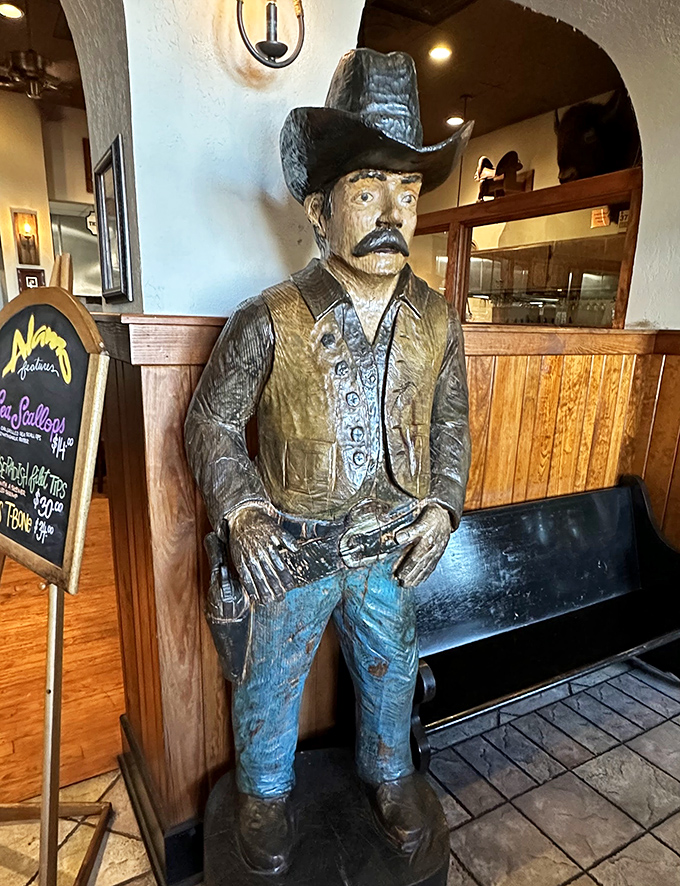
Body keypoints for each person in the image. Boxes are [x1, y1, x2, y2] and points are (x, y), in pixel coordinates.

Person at [185, 47, 472, 875]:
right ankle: (265, 794)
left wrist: (444, 503)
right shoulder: (267, 318)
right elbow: (210, 421)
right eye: (366, 191)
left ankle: (391, 776)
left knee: (390, 670)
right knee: (270, 682)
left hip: (392, 542)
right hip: (294, 544)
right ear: (319, 211)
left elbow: (452, 420)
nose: (393, 211)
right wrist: (242, 511)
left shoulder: (437, 321)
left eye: (408, 192)